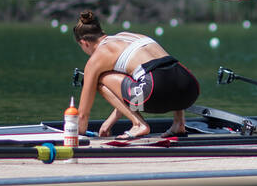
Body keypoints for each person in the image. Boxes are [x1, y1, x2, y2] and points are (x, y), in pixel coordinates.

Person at [72, 10, 200, 139]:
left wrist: (78, 132)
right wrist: (109, 122)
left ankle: (139, 124)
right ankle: (179, 123)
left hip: (155, 90)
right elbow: (127, 93)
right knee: (164, 67)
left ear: (84, 43)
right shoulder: (129, 35)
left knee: (100, 79)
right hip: (189, 89)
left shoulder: (97, 57)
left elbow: (83, 115)